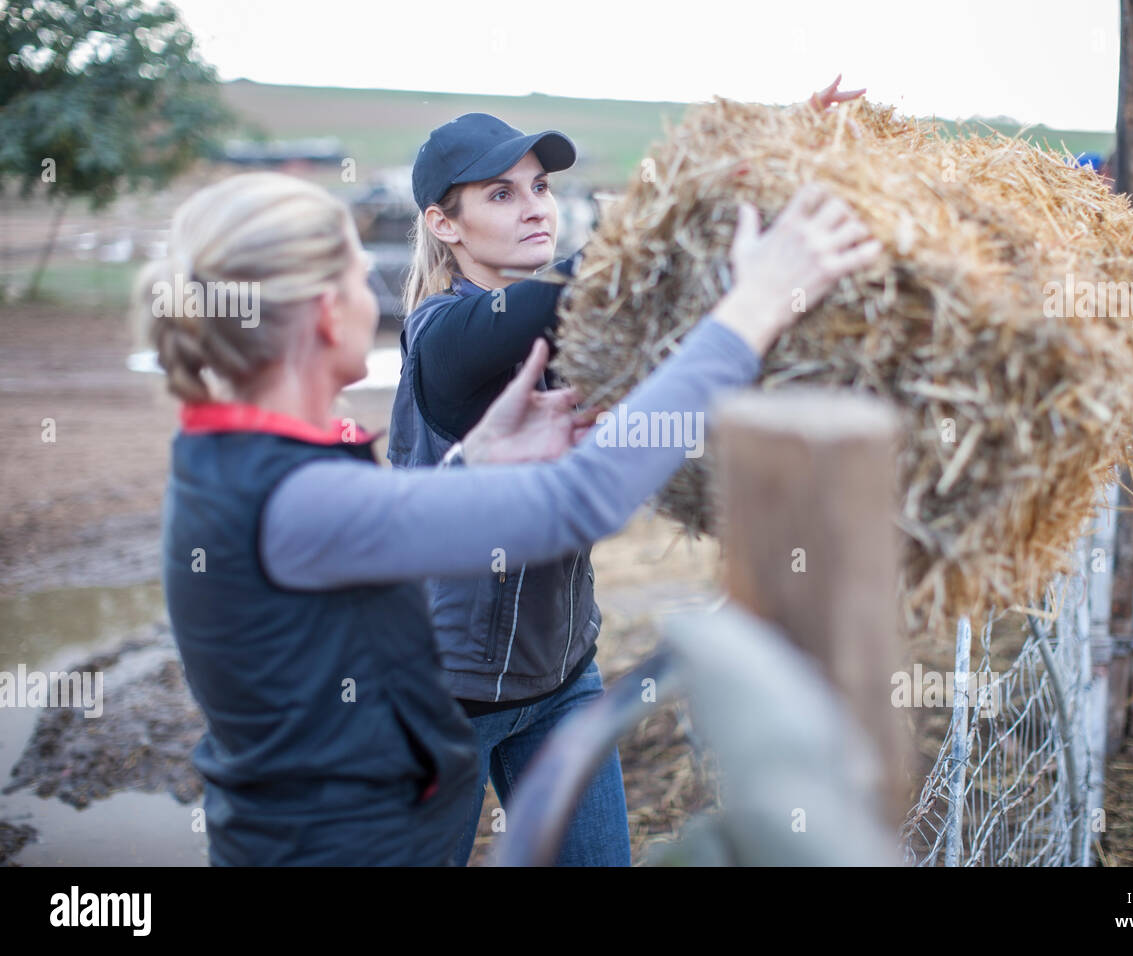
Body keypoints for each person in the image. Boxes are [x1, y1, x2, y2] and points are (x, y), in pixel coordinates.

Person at [146, 170, 880, 865]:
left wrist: (478, 460)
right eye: (354, 271)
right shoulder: (290, 495)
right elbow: (580, 500)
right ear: (327, 313)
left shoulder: (233, 456)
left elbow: (380, 534)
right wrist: (753, 309)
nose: (374, 288)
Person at [392, 75, 868, 866]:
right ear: (444, 224)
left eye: (540, 188)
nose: (536, 206)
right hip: (443, 696)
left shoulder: (571, 332)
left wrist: (766, 162)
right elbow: (580, 280)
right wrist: (692, 182)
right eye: (501, 196)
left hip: (560, 681)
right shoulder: (444, 339)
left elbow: (668, 298)